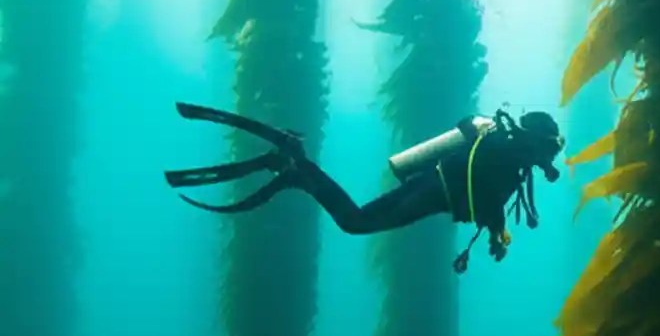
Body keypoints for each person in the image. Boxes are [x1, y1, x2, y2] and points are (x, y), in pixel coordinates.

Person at [163, 102, 564, 272]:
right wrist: (496, 232)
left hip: (435, 189)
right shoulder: (512, 155)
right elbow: (490, 192)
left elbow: (488, 189)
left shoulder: (510, 153)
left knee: (355, 220)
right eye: (550, 148)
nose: (549, 158)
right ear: (537, 141)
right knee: (354, 222)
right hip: (435, 191)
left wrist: (496, 231)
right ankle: (295, 166)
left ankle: (293, 167)